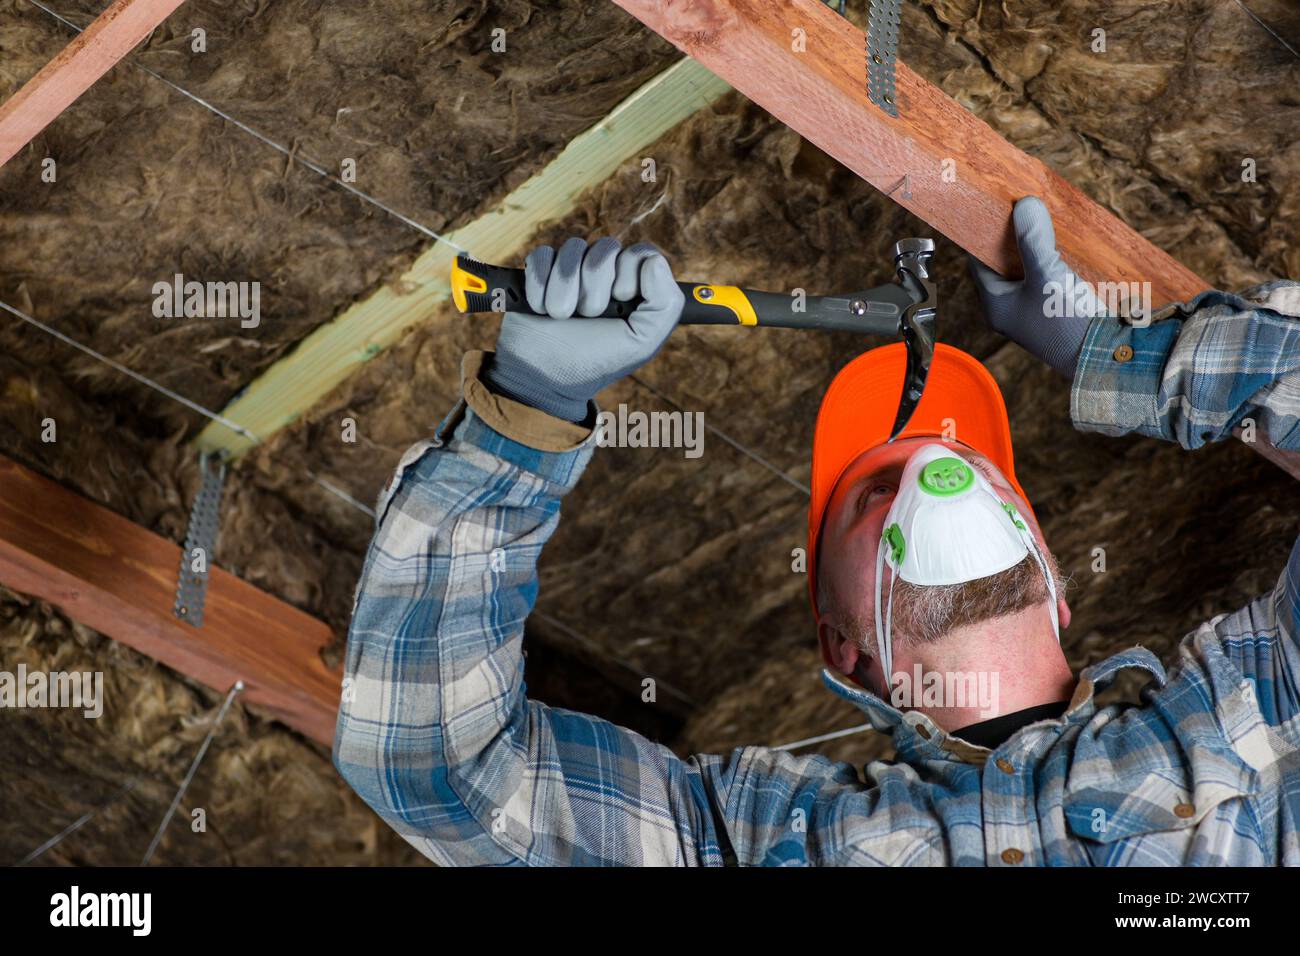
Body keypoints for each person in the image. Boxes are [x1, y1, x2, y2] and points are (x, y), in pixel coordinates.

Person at [333, 198, 1300, 866]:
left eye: (943, 471)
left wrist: (1128, 358)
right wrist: (528, 407)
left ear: (1053, 570)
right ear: (841, 644)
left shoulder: (1258, 717)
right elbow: (441, 770)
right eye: (872, 489)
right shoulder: (752, 839)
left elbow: (435, 768)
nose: (928, 472)